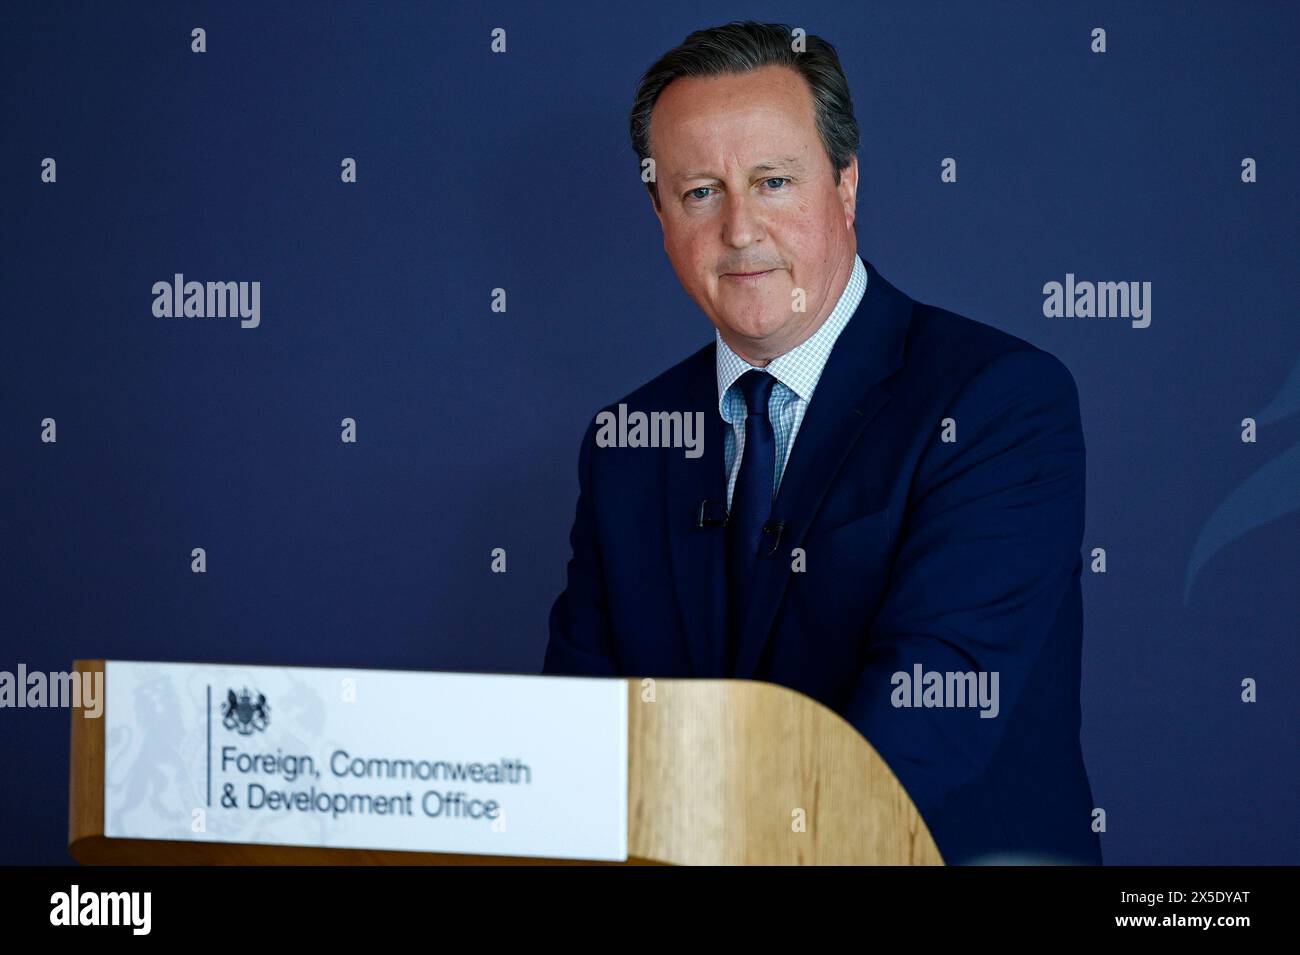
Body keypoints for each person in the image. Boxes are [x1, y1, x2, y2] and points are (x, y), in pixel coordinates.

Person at [543, 20, 1102, 866]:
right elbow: (580, 742)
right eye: (700, 192)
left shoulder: (998, 402)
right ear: (660, 214)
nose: (739, 230)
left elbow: (925, 721)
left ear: (845, 187)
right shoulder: (626, 444)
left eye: (772, 181)